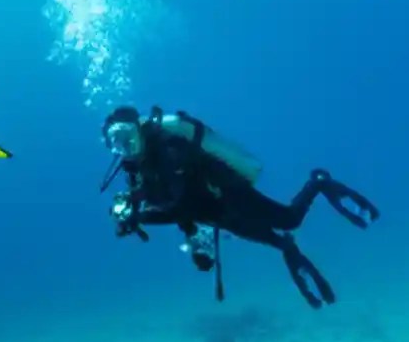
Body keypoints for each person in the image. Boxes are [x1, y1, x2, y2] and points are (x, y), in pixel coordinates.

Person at [100, 105, 379, 308]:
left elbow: (178, 205)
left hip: (230, 195)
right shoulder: (137, 170)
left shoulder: (170, 150)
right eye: (116, 143)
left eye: (126, 136)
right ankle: (290, 250)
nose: (124, 147)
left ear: (139, 129)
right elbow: (179, 212)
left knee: (290, 220)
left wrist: (140, 214)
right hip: (216, 213)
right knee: (276, 240)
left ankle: (318, 183)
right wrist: (134, 214)